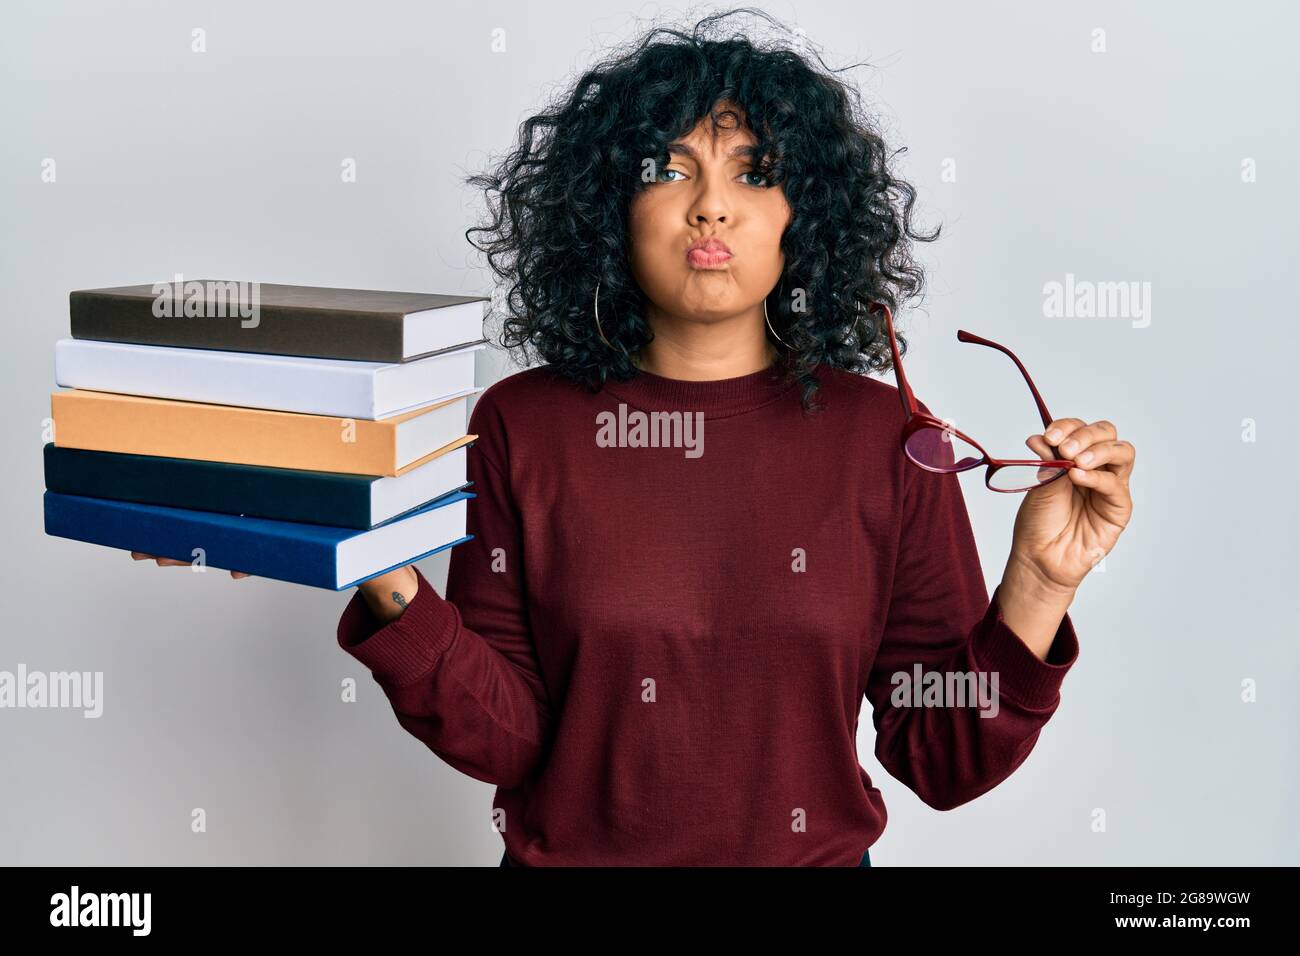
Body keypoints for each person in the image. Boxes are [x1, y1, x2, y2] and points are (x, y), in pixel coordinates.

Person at [136, 9, 1135, 866]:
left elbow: (943, 759)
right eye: (670, 168)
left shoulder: (888, 440)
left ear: (805, 214)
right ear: (610, 206)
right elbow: (511, 736)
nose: (710, 202)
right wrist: (382, 572)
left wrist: (1041, 585)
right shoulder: (520, 425)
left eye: (755, 171)